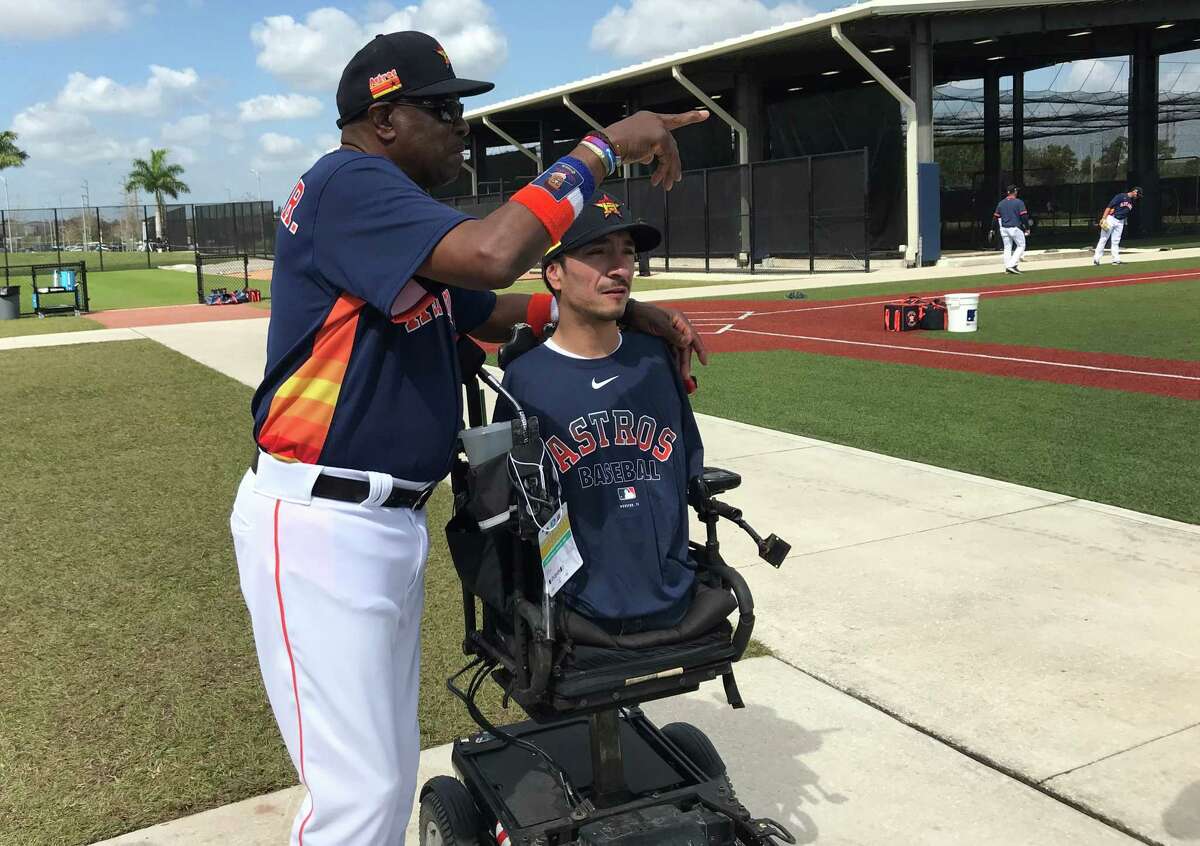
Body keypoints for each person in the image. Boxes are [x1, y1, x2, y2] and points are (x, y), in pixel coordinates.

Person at [229, 30, 709, 846]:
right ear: (384, 119)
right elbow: (493, 258)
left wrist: (618, 311)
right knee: (358, 796)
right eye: (445, 110)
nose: (463, 126)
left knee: (379, 778)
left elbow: (478, 308)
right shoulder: (349, 181)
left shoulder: (389, 211)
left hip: (378, 523)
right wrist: (600, 148)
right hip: (321, 524)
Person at [494, 195, 703, 633]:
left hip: (671, 593)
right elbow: (507, 504)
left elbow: (688, 466)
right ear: (554, 273)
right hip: (578, 609)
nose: (619, 268)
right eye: (596, 253)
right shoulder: (524, 381)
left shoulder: (654, 359)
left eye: (627, 252)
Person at [1094, 186, 1142, 265]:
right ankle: (1096, 258)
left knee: (1116, 241)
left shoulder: (1132, 201)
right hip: (1111, 219)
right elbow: (1109, 207)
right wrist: (1103, 218)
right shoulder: (1121, 196)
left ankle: (1116, 259)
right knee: (1104, 239)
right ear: (1135, 191)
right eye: (1138, 194)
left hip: (1120, 221)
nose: (1138, 197)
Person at [993, 184, 1029, 274]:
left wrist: (992, 229)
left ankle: (1008, 267)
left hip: (1004, 228)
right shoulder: (1018, 202)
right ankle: (1011, 265)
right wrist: (1027, 228)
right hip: (1014, 228)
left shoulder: (1001, 203)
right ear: (1015, 192)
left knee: (1007, 248)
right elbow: (1024, 216)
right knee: (1021, 246)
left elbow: (995, 217)